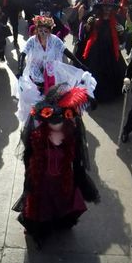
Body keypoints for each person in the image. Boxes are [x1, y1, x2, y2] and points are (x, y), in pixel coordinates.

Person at [13, 84, 100, 247]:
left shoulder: (71, 134)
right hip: (43, 181)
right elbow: (29, 159)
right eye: (52, 120)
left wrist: (80, 180)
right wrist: (31, 178)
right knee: (42, 206)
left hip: (62, 179)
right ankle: (41, 229)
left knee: (62, 202)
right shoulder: (37, 136)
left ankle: (59, 222)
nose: (56, 124)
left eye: (59, 120)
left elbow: (77, 159)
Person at [16, 15, 96, 125]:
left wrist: (80, 64)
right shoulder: (32, 41)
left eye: (45, 30)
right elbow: (23, 54)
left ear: (49, 31)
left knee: (54, 95)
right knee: (36, 95)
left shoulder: (54, 40)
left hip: (51, 72)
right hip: (35, 73)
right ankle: (38, 117)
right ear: (37, 29)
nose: (43, 33)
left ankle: (51, 117)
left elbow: (66, 52)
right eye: (40, 30)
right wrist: (20, 69)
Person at [79, 0, 126, 102]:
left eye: (109, 7)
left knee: (112, 73)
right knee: (94, 72)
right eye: (105, 6)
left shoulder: (117, 19)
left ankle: (108, 95)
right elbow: (85, 36)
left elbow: (122, 39)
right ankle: (92, 93)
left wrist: (122, 32)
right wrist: (87, 26)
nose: (107, 9)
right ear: (101, 7)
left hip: (111, 51)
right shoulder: (94, 18)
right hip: (96, 51)